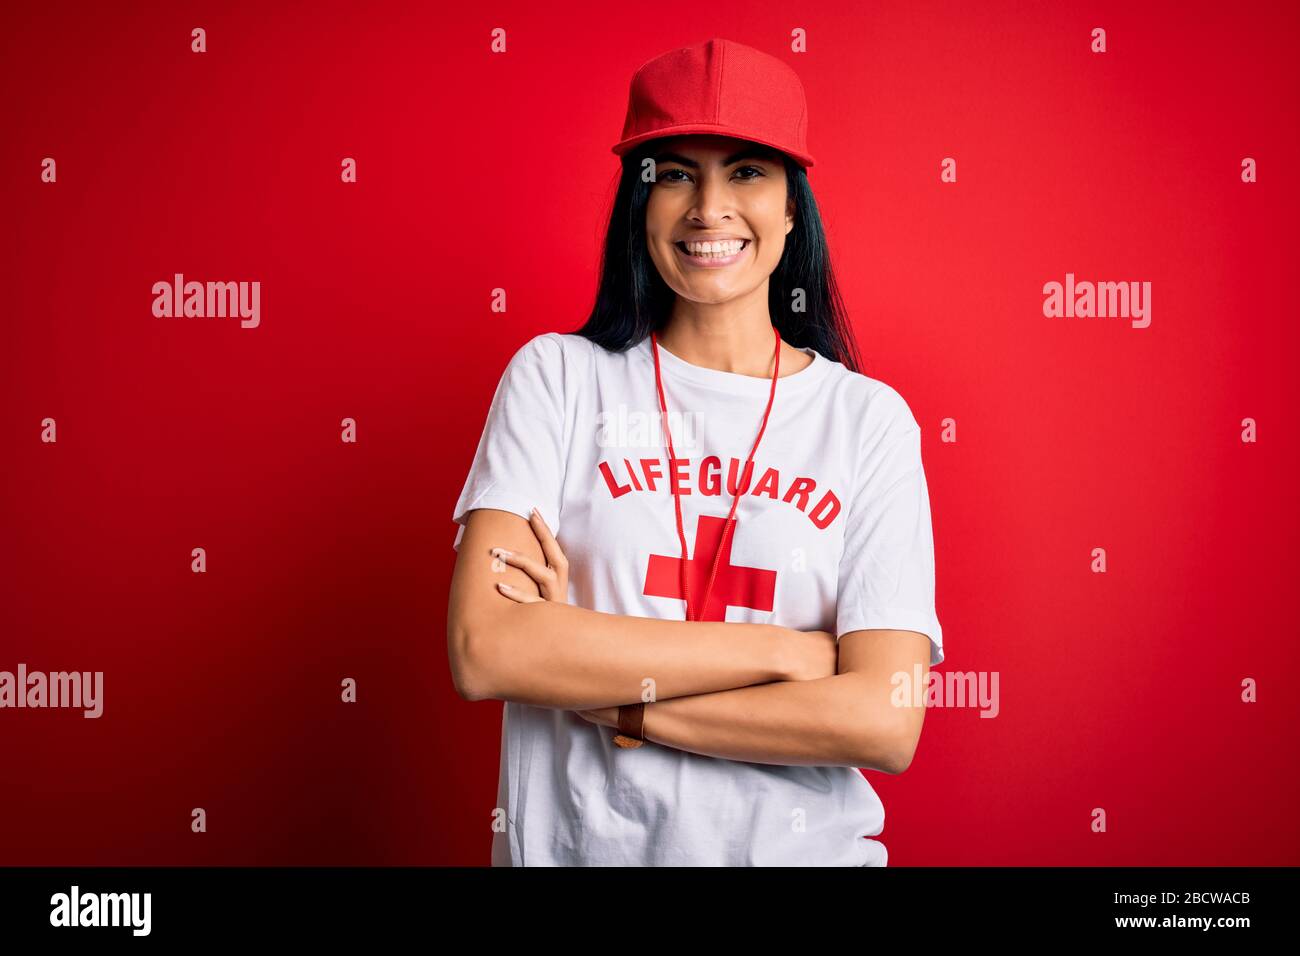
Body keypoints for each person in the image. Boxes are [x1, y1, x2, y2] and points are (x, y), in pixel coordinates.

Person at [446, 38, 943, 866]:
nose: (709, 207)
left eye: (746, 171)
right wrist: (786, 656)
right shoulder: (558, 381)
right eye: (674, 173)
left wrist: (611, 694)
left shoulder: (868, 422)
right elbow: (486, 649)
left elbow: (881, 722)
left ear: (793, 209)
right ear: (639, 202)